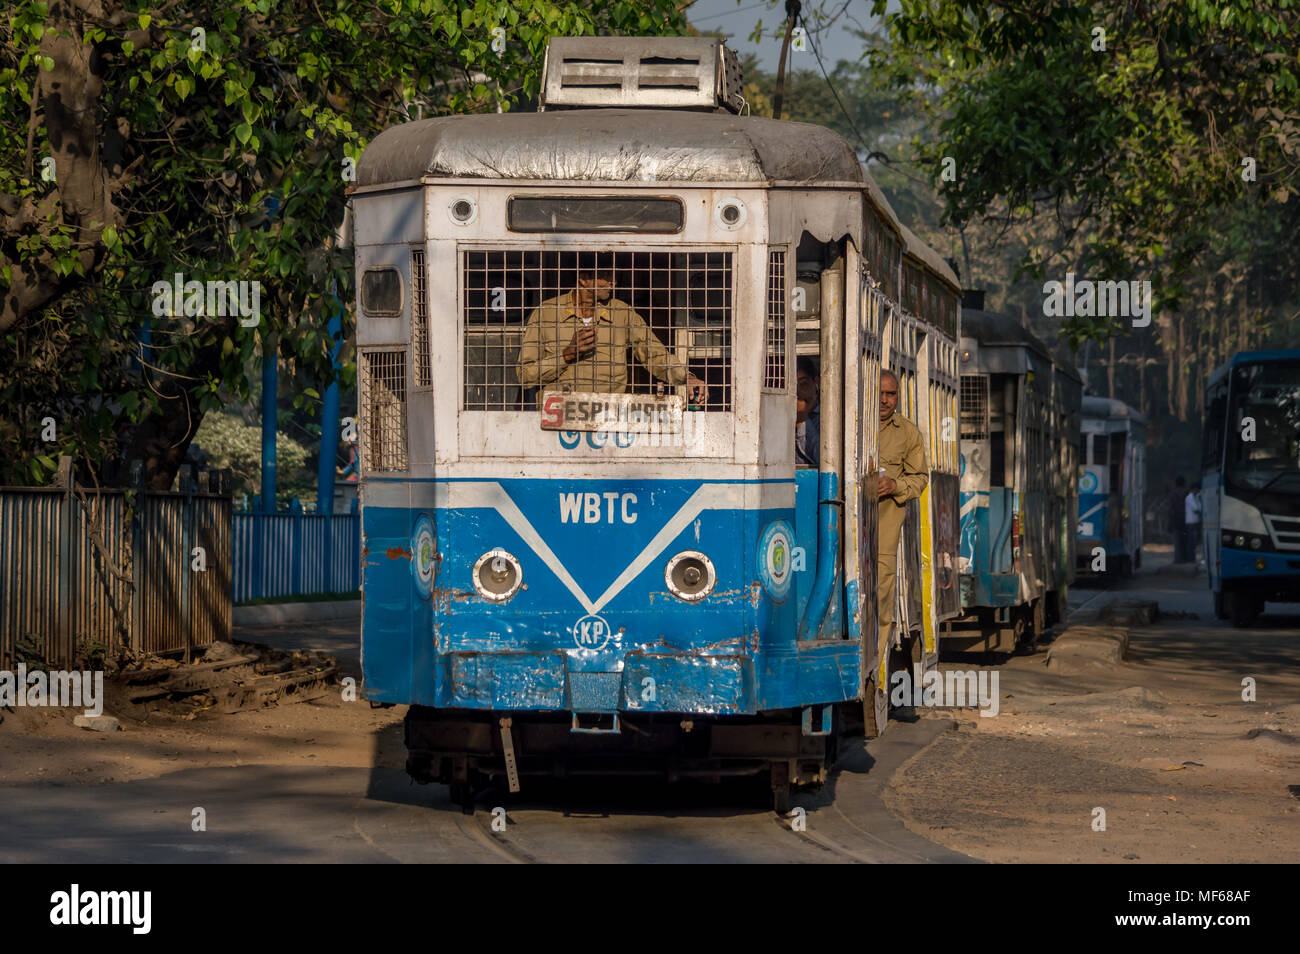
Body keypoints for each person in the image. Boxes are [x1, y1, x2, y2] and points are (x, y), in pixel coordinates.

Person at [514, 268, 706, 402]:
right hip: (559, 425)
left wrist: (686, 376)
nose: (612, 281)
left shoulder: (622, 314)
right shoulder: (547, 312)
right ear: (583, 279)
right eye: (604, 275)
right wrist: (567, 355)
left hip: (610, 422)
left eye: (613, 275)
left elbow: (654, 354)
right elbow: (524, 375)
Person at [877, 369, 929, 642]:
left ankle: (878, 670)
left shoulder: (908, 433)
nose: (885, 400)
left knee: (882, 601)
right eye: (880, 393)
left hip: (884, 533)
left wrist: (895, 486)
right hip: (842, 530)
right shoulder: (852, 421)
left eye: (891, 394)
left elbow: (920, 478)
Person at [795, 356, 821, 468]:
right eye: (792, 385)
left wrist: (802, 419)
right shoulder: (781, 416)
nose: (798, 391)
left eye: (803, 384)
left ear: (816, 382)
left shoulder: (828, 416)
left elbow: (824, 459)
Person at [1169, 475, 1188, 562]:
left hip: (1175, 520)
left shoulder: (1173, 493)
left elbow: (1171, 509)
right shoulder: (1187, 492)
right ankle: (1185, 558)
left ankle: (1177, 559)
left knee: (1177, 541)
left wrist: (1170, 521)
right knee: (1184, 541)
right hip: (1186, 520)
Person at [1184, 479, 1202, 564]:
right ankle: (1190, 559)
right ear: (1194, 489)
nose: (1198, 491)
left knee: (1194, 542)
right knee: (1191, 542)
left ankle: (1192, 558)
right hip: (1191, 523)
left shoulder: (1195, 497)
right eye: (1197, 489)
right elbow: (1196, 508)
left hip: (1195, 522)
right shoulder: (1189, 497)